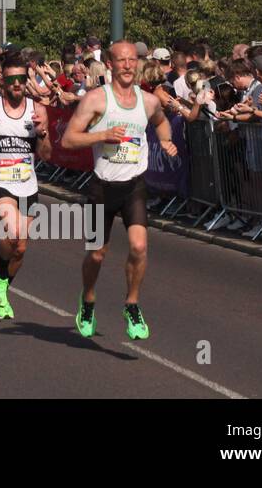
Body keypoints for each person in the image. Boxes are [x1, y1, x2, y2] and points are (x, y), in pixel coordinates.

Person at [61, 41, 177, 341]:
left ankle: (132, 304)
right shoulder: (97, 99)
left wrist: (165, 141)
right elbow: (69, 140)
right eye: (121, 61)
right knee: (97, 254)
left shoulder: (149, 101)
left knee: (139, 247)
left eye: (132, 60)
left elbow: (162, 123)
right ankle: (87, 299)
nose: (127, 65)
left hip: (134, 185)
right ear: (110, 65)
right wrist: (102, 135)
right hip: (102, 186)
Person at [0, 52, 51, 319]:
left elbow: (46, 154)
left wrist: (42, 134)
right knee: (12, 232)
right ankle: (1, 281)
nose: (17, 84)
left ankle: (1, 283)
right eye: (12, 79)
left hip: (28, 183)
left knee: (21, 248)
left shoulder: (38, 110)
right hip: (0, 180)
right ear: (2, 79)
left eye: (22, 79)